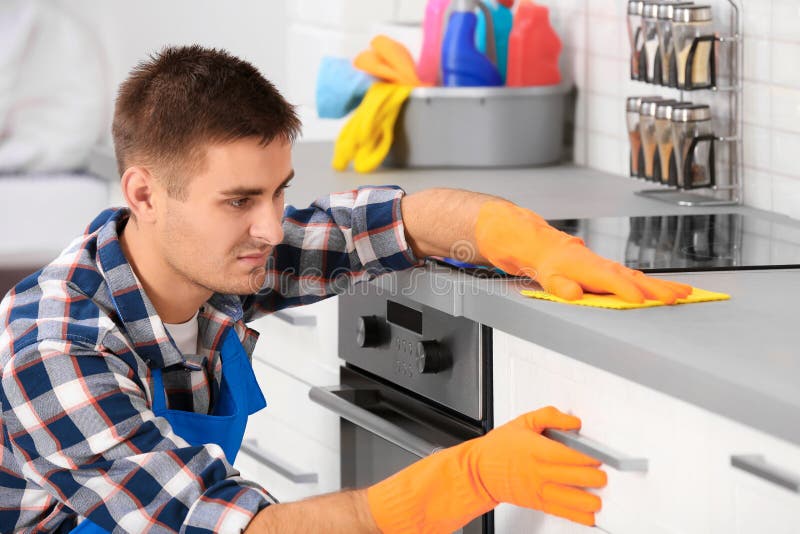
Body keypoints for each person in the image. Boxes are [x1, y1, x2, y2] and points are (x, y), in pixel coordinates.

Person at [0, 45, 691, 533]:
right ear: (144, 194)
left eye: (278, 193)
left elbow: (393, 223)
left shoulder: (197, 255)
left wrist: (528, 239)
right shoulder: (54, 348)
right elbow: (242, 530)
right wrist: (466, 482)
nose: (270, 228)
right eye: (239, 200)